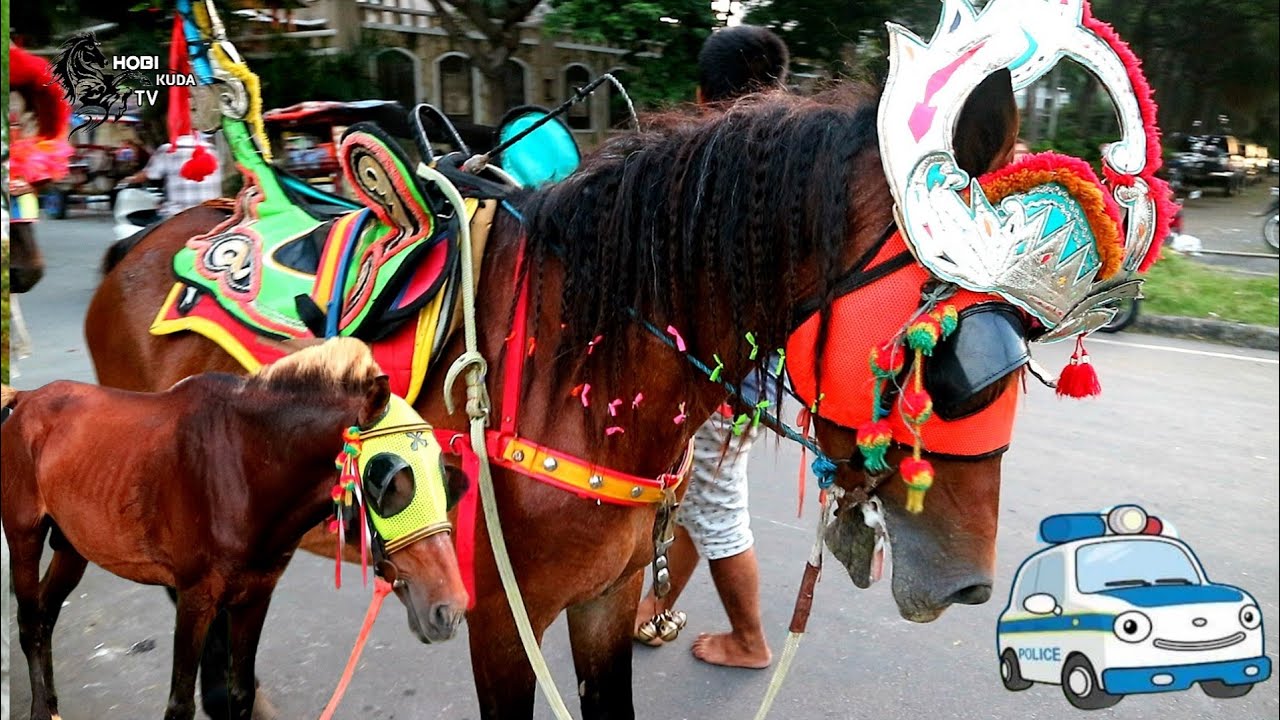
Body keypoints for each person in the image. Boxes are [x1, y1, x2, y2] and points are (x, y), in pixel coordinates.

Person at [632, 24, 790, 670]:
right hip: (756, 369)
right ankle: (657, 604)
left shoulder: (705, 169)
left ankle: (749, 640)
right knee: (697, 497)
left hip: (717, 374)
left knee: (715, 504)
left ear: (702, 96)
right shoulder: (787, 166)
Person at [124, 132, 223, 219]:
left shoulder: (168, 149)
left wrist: (127, 180)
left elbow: (148, 174)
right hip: (212, 212)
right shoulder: (212, 148)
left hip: (177, 215)